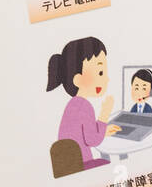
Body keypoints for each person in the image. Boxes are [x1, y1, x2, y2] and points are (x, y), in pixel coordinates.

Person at [46, 36, 120, 169]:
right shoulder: (83, 106)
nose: (107, 79)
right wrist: (104, 115)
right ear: (78, 80)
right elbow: (93, 140)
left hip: (72, 165)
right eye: (101, 73)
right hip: (81, 165)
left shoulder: (74, 104)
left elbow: (83, 132)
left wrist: (104, 130)